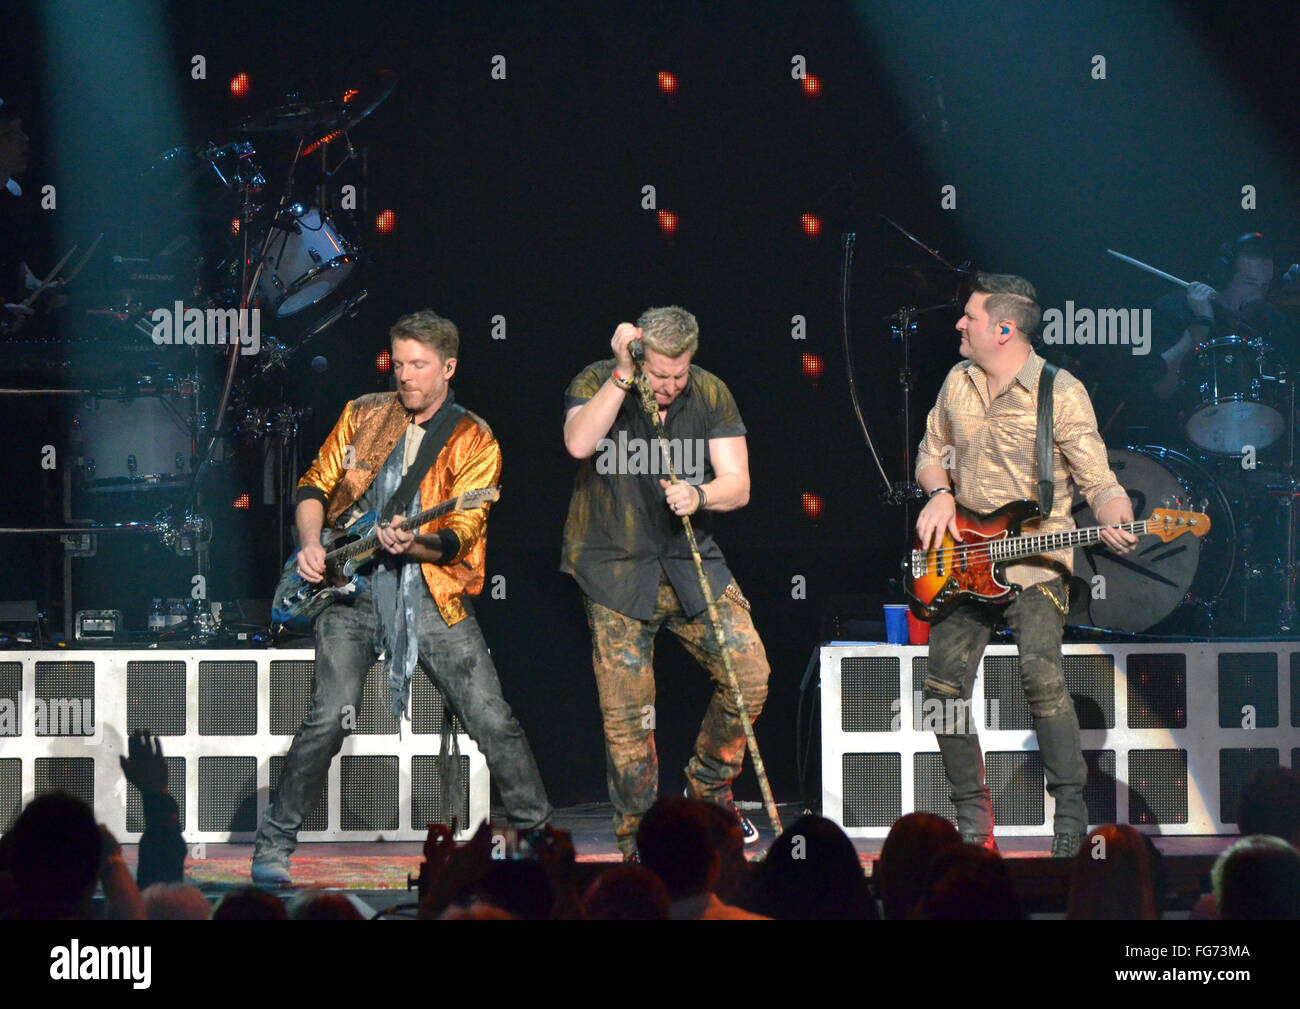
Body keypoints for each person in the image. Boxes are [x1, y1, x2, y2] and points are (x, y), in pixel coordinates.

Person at [251, 310, 551, 886]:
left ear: (448, 367)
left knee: (493, 718)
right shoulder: (363, 413)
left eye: (419, 365)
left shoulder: (474, 438)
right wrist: (313, 544)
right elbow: (315, 483)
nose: (406, 375)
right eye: (398, 362)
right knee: (328, 718)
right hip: (350, 593)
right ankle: (273, 846)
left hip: (430, 593)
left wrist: (414, 544)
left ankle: (542, 839)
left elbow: (463, 532)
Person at [914, 272, 1137, 857]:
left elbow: (1101, 482)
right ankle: (971, 820)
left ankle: (1070, 820)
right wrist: (938, 490)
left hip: (1037, 560)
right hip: (962, 559)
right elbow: (930, 452)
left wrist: (1117, 517)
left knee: (1040, 675)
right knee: (941, 689)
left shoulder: (1060, 391)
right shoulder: (956, 381)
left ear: (1005, 329)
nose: (960, 324)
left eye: (971, 317)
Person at [561, 306, 771, 859]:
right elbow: (579, 444)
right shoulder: (597, 380)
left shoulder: (711, 392)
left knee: (750, 676)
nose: (671, 386)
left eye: (679, 374)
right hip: (613, 569)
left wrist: (701, 495)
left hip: (688, 561)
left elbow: (739, 484)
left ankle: (707, 795)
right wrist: (622, 377)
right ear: (636, 356)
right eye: (659, 375)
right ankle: (638, 847)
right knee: (629, 723)